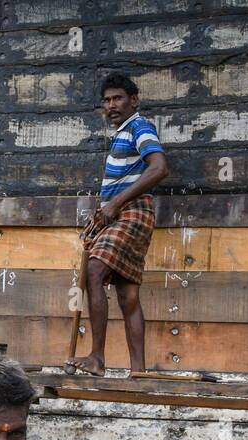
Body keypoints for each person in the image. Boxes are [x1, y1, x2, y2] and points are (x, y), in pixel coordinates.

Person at [69, 72, 168, 377]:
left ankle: (97, 358)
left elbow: (160, 168)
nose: (111, 105)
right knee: (127, 294)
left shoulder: (139, 126)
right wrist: (103, 210)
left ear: (133, 100)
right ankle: (138, 369)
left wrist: (114, 203)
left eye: (118, 98)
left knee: (95, 270)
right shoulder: (122, 134)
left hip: (132, 212)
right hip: (118, 213)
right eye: (107, 100)